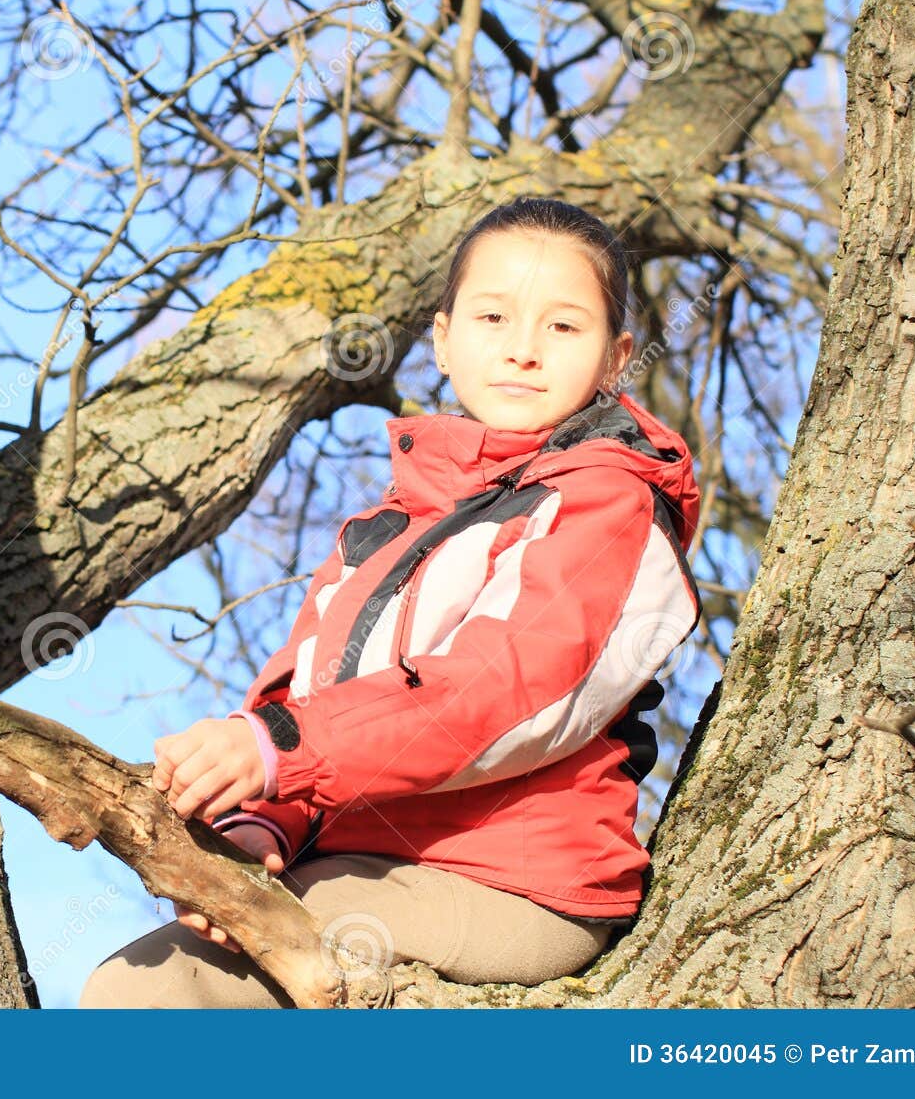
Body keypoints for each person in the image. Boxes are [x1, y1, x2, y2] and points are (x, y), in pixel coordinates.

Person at [78, 196, 702, 1008]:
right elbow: (303, 702)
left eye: (563, 327)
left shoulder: (606, 501)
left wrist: (272, 750)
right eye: (492, 316)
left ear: (616, 358)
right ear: (442, 338)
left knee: (159, 996)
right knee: (129, 979)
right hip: (359, 866)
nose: (522, 350)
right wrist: (265, 824)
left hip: (516, 883)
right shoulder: (382, 532)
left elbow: (503, 691)